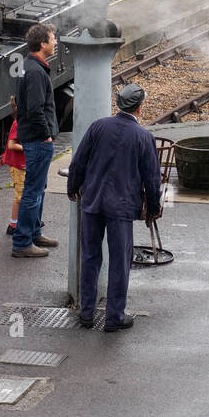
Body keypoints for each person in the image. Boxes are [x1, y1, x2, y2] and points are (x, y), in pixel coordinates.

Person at [67, 84, 163, 332]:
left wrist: (72, 187)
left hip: (92, 201)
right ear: (139, 107)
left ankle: (86, 313)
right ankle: (114, 317)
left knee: (90, 256)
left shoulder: (99, 126)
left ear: (118, 105)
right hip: (121, 208)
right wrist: (153, 208)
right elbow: (152, 179)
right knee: (120, 261)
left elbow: (79, 160)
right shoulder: (143, 137)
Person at [11, 23, 60, 257]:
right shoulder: (36, 72)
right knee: (33, 190)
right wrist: (47, 134)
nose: (56, 42)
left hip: (33, 136)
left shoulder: (27, 66)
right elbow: (34, 109)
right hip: (38, 139)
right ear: (43, 44)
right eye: (53, 39)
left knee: (39, 188)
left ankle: (34, 232)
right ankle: (22, 242)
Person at [4, 97, 26, 236]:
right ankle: (13, 224)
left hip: (22, 164)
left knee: (22, 193)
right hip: (18, 165)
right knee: (19, 195)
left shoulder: (21, 122)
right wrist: (27, 148)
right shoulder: (18, 124)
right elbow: (11, 145)